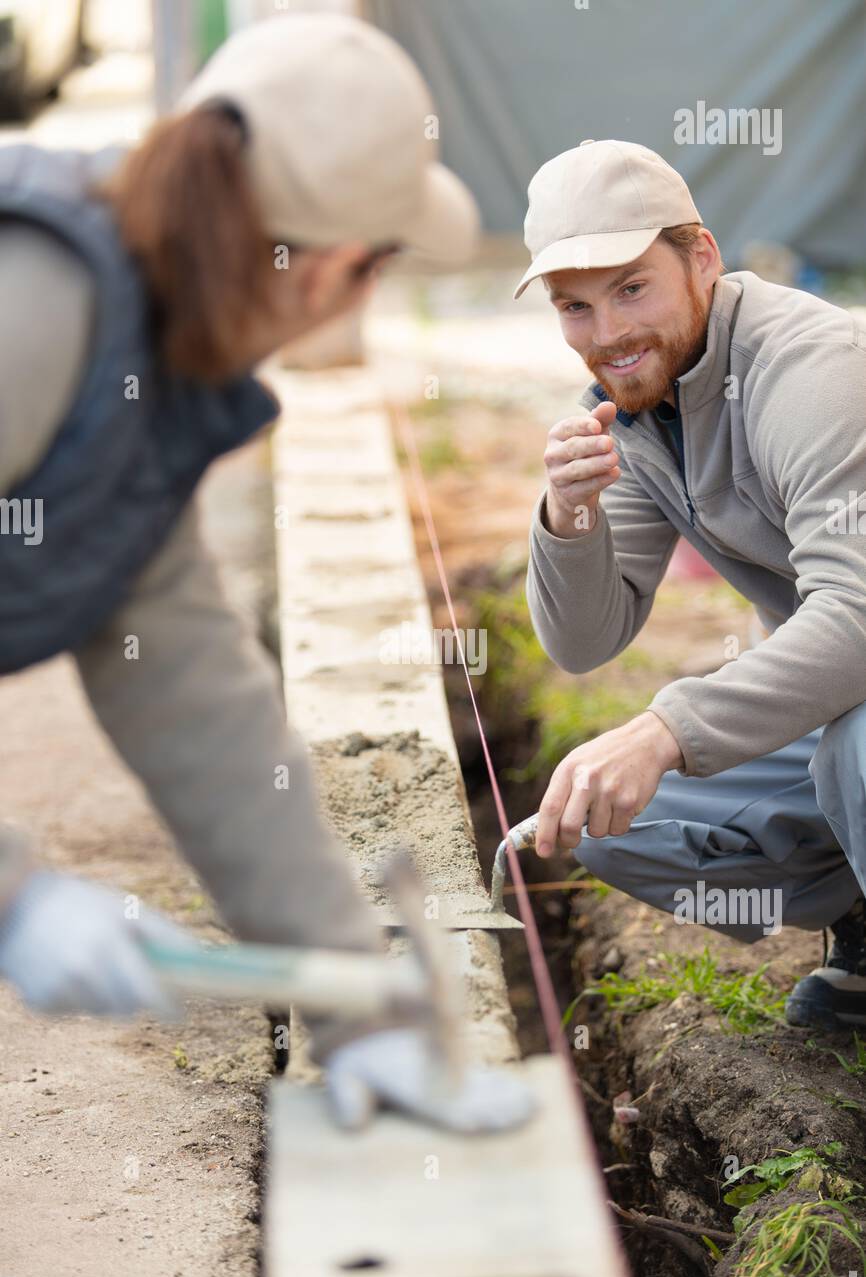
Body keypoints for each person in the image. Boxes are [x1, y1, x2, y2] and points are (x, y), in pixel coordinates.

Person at [0, 13, 532, 1133]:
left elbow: (192, 692)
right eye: (381, 269)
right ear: (334, 268)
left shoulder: (145, 349)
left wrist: (355, 1000)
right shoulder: (33, 303)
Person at [520, 139, 866, 1032]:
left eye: (632, 288)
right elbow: (583, 640)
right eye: (576, 308)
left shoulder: (812, 375)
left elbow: (860, 616)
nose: (609, 337)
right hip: (845, 707)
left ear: (701, 257)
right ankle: (858, 906)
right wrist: (570, 513)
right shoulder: (643, 404)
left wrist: (670, 729)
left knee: (856, 751)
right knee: (594, 820)